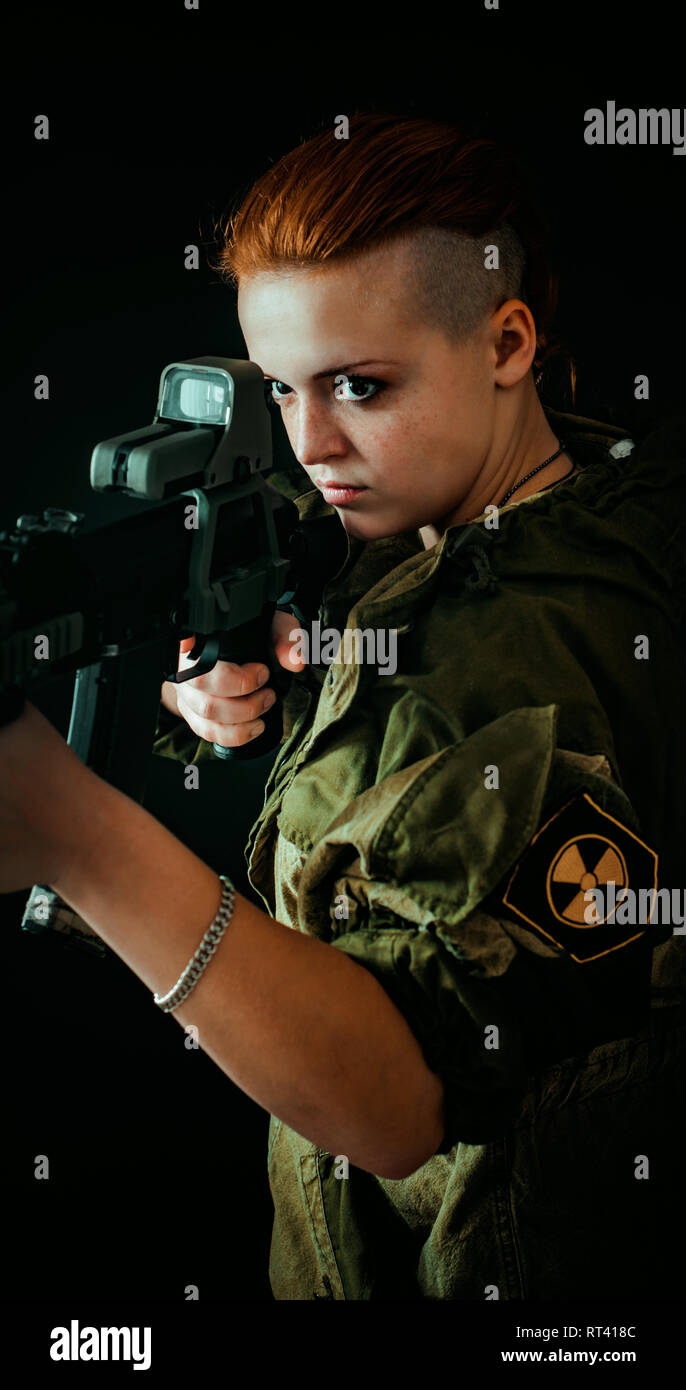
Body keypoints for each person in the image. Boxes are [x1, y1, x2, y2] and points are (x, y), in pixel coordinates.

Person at [2, 112, 685, 1301]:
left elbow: (396, 1108)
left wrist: (79, 839)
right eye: (277, 387)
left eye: (359, 386)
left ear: (506, 340)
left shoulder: (507, 682)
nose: (311, 445)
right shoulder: (574, 485)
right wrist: (233, 675)